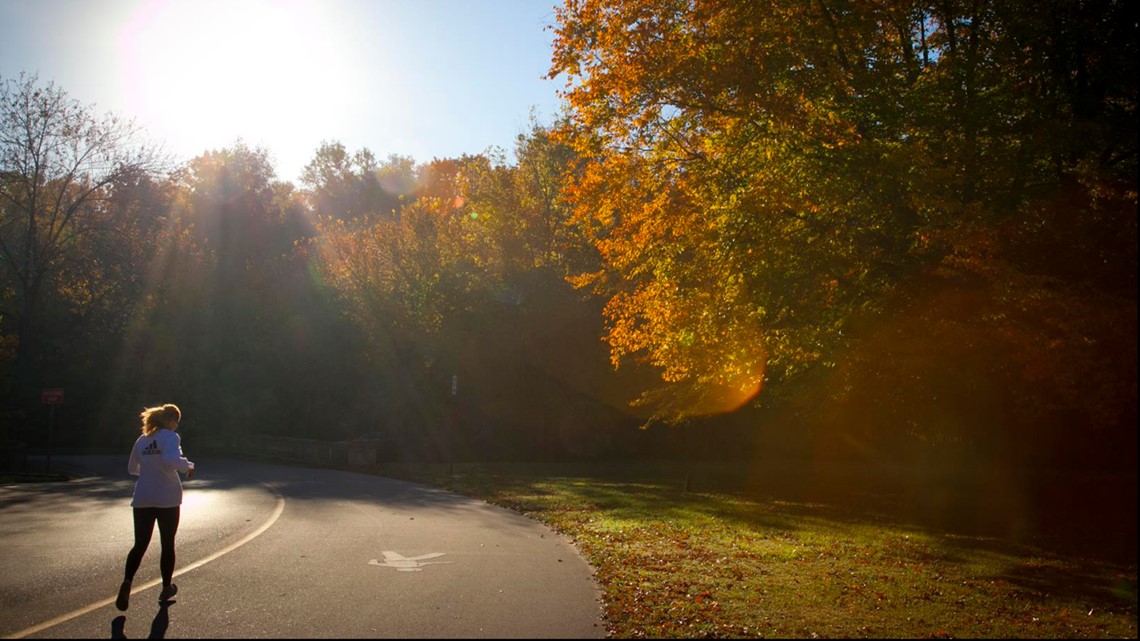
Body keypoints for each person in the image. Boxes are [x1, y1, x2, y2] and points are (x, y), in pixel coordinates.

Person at [115, 403, 195, 611]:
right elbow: (170, 460)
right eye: (176, 422)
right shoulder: (170, 436)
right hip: (167, 497)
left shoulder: (142, 440)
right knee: (167, 543)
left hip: (143, 496)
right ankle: (166, 587)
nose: (176, 426)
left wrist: (150, 467)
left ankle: (127, 582)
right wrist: (187, 466)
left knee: (140, 544)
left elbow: (132, 469)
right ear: (170, 421)